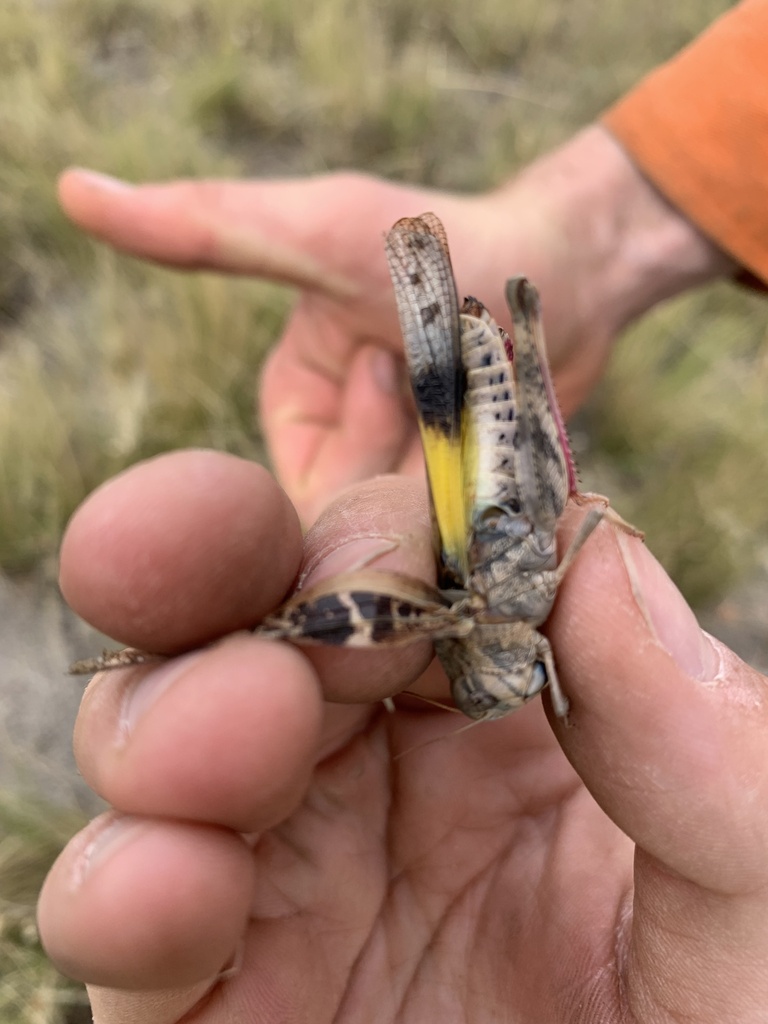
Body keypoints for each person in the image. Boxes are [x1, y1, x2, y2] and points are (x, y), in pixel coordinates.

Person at [38, 3, 768, 1021]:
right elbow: (527, 559)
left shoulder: (473, 630)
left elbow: (443, 614)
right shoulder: (471, 628)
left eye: (494, 685)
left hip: (483, 487)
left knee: (414, 520)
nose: (507, 686)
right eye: (498, 685)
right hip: (499, 481)